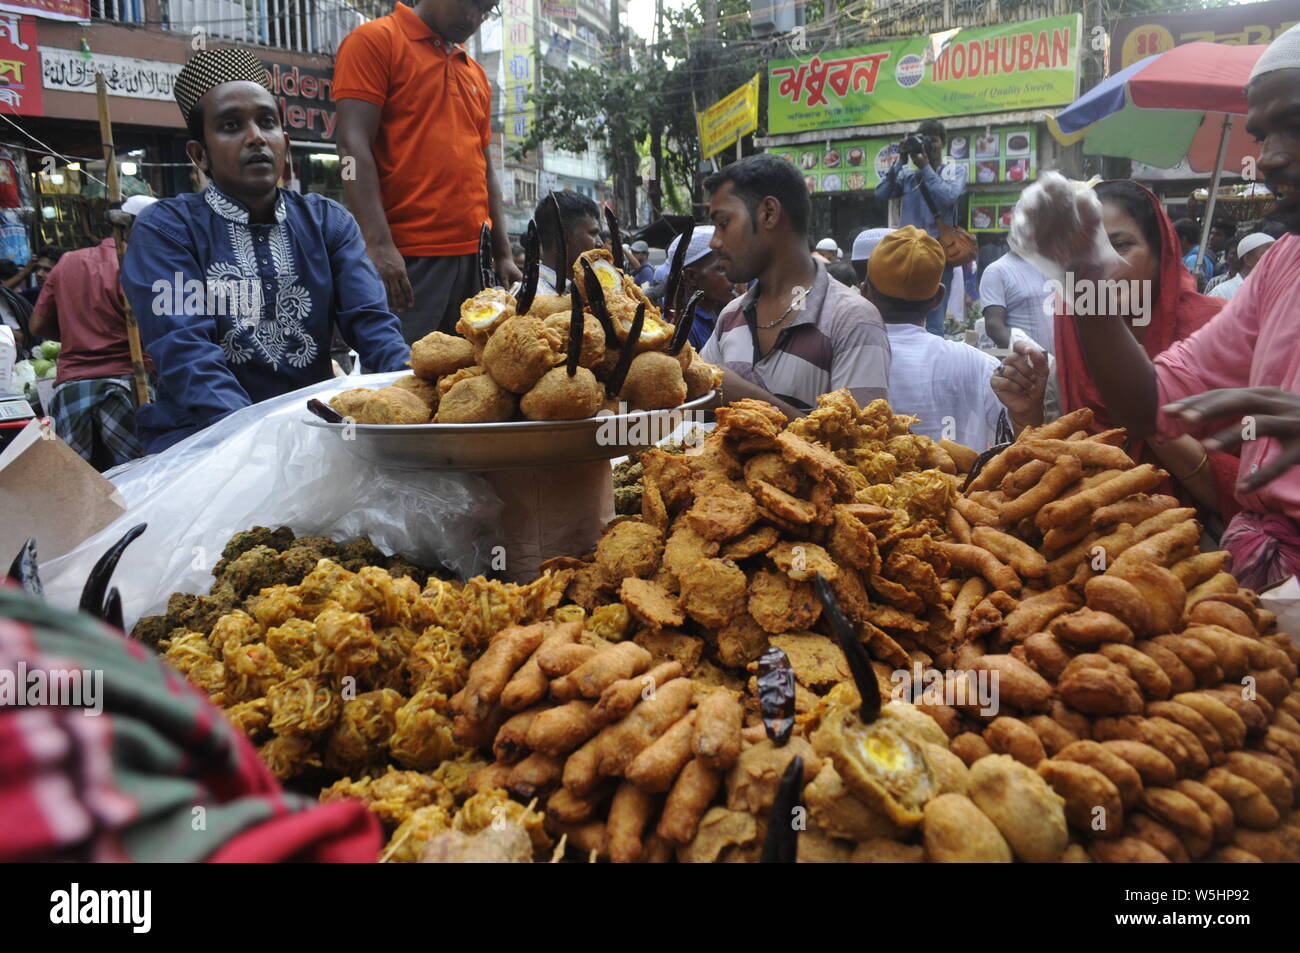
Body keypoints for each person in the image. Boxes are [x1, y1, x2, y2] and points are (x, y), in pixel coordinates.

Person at [1000, 16, 1300, 587]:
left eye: (1296, 125)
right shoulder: (1283, 265)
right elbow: (1148, 404)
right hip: (1262, 581)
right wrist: (1082, 272)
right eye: (1261, 137)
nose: (1271, 159)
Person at [120, 48, 410, 454]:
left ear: (285, 143)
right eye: (231, 125)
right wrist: (258, 445)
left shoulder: (329, 222)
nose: (256, 137)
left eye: (267, 122)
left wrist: (417, 391)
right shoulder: (167, 229)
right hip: (201, 444)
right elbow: (186, 354)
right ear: (199, 155)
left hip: (312, 434)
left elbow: (375, 328)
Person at [995, 179, 1240, 523]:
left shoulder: (1219, 332)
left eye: (1119, 245)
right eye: (1087, 253)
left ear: (1162, 254)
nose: (1101, 266)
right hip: (1086, 537)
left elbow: (1247, 487)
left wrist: (1147, 413)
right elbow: (1054, 469)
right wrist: (1028, 413)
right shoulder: (1072, 329)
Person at [333, 0, 519, 343]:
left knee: (471, 377)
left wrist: (503, 252)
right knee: (406, 379)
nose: (474, 18)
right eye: (471, 4)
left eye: (486, 9)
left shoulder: (474, 71)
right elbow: (350, 147)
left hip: (476, 260)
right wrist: (377, 244)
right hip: (409, 260)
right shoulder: (375, 41)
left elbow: (485, 166)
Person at [701, 154, 890, 418]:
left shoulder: (852, 321)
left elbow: (861, 453)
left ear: (768, 213)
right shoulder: (731, 317)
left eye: (723, 224)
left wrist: (750, 400)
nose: (714, 242)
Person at [28, 197, 159, 469]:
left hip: (71, 387)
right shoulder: (141, 264)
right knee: (139, 476)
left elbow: (38, 326)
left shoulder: (67, 262)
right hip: (128, 383)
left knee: (74, 480)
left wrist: (79, 333)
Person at [865, 226, 1004, 449]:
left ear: (865, 293)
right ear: (939, 297)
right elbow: (1014, 437)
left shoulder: (847, 360)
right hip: (965, 484)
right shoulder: (980, 365)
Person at [875, 119, 968, 335]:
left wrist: (925, 168)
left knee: (934, 315)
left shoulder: (955, 171)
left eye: (933, 141)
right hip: (905, 253)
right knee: (900, 310)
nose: (929, 146)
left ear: (943, 143)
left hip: (938, 254)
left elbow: (948, 197)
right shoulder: (908, 176)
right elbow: (881, 193)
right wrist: (901, 159)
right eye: (924, 141)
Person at [662, 225, 733, 349]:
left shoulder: (716, 315)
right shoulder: (683, 329)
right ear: (691, 276)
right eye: (721, 269)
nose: (732, 277)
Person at [979, 246, 1055, 352]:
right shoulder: (996, 271)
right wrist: (1030, 355)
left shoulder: (1053, 266)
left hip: (1062, 362)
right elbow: (993, 326)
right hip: (1027, 364)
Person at [534, 190, 603, 294]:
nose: (600, 243)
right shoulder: (532, 297)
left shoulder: (591, 289)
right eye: (593, 233)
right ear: (563, 239)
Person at [1209, 232, 1275, 300]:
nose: (1274, 258)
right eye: (1267, 253)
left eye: (1276, 253)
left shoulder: (1275, 291)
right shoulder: (1222, 292)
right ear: (1248, 259)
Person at [1174, 217, 1215, 291]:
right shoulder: (1202, 253)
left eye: (1174, 238)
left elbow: (1191, 288)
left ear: (1183, 239)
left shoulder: (1193, 259)